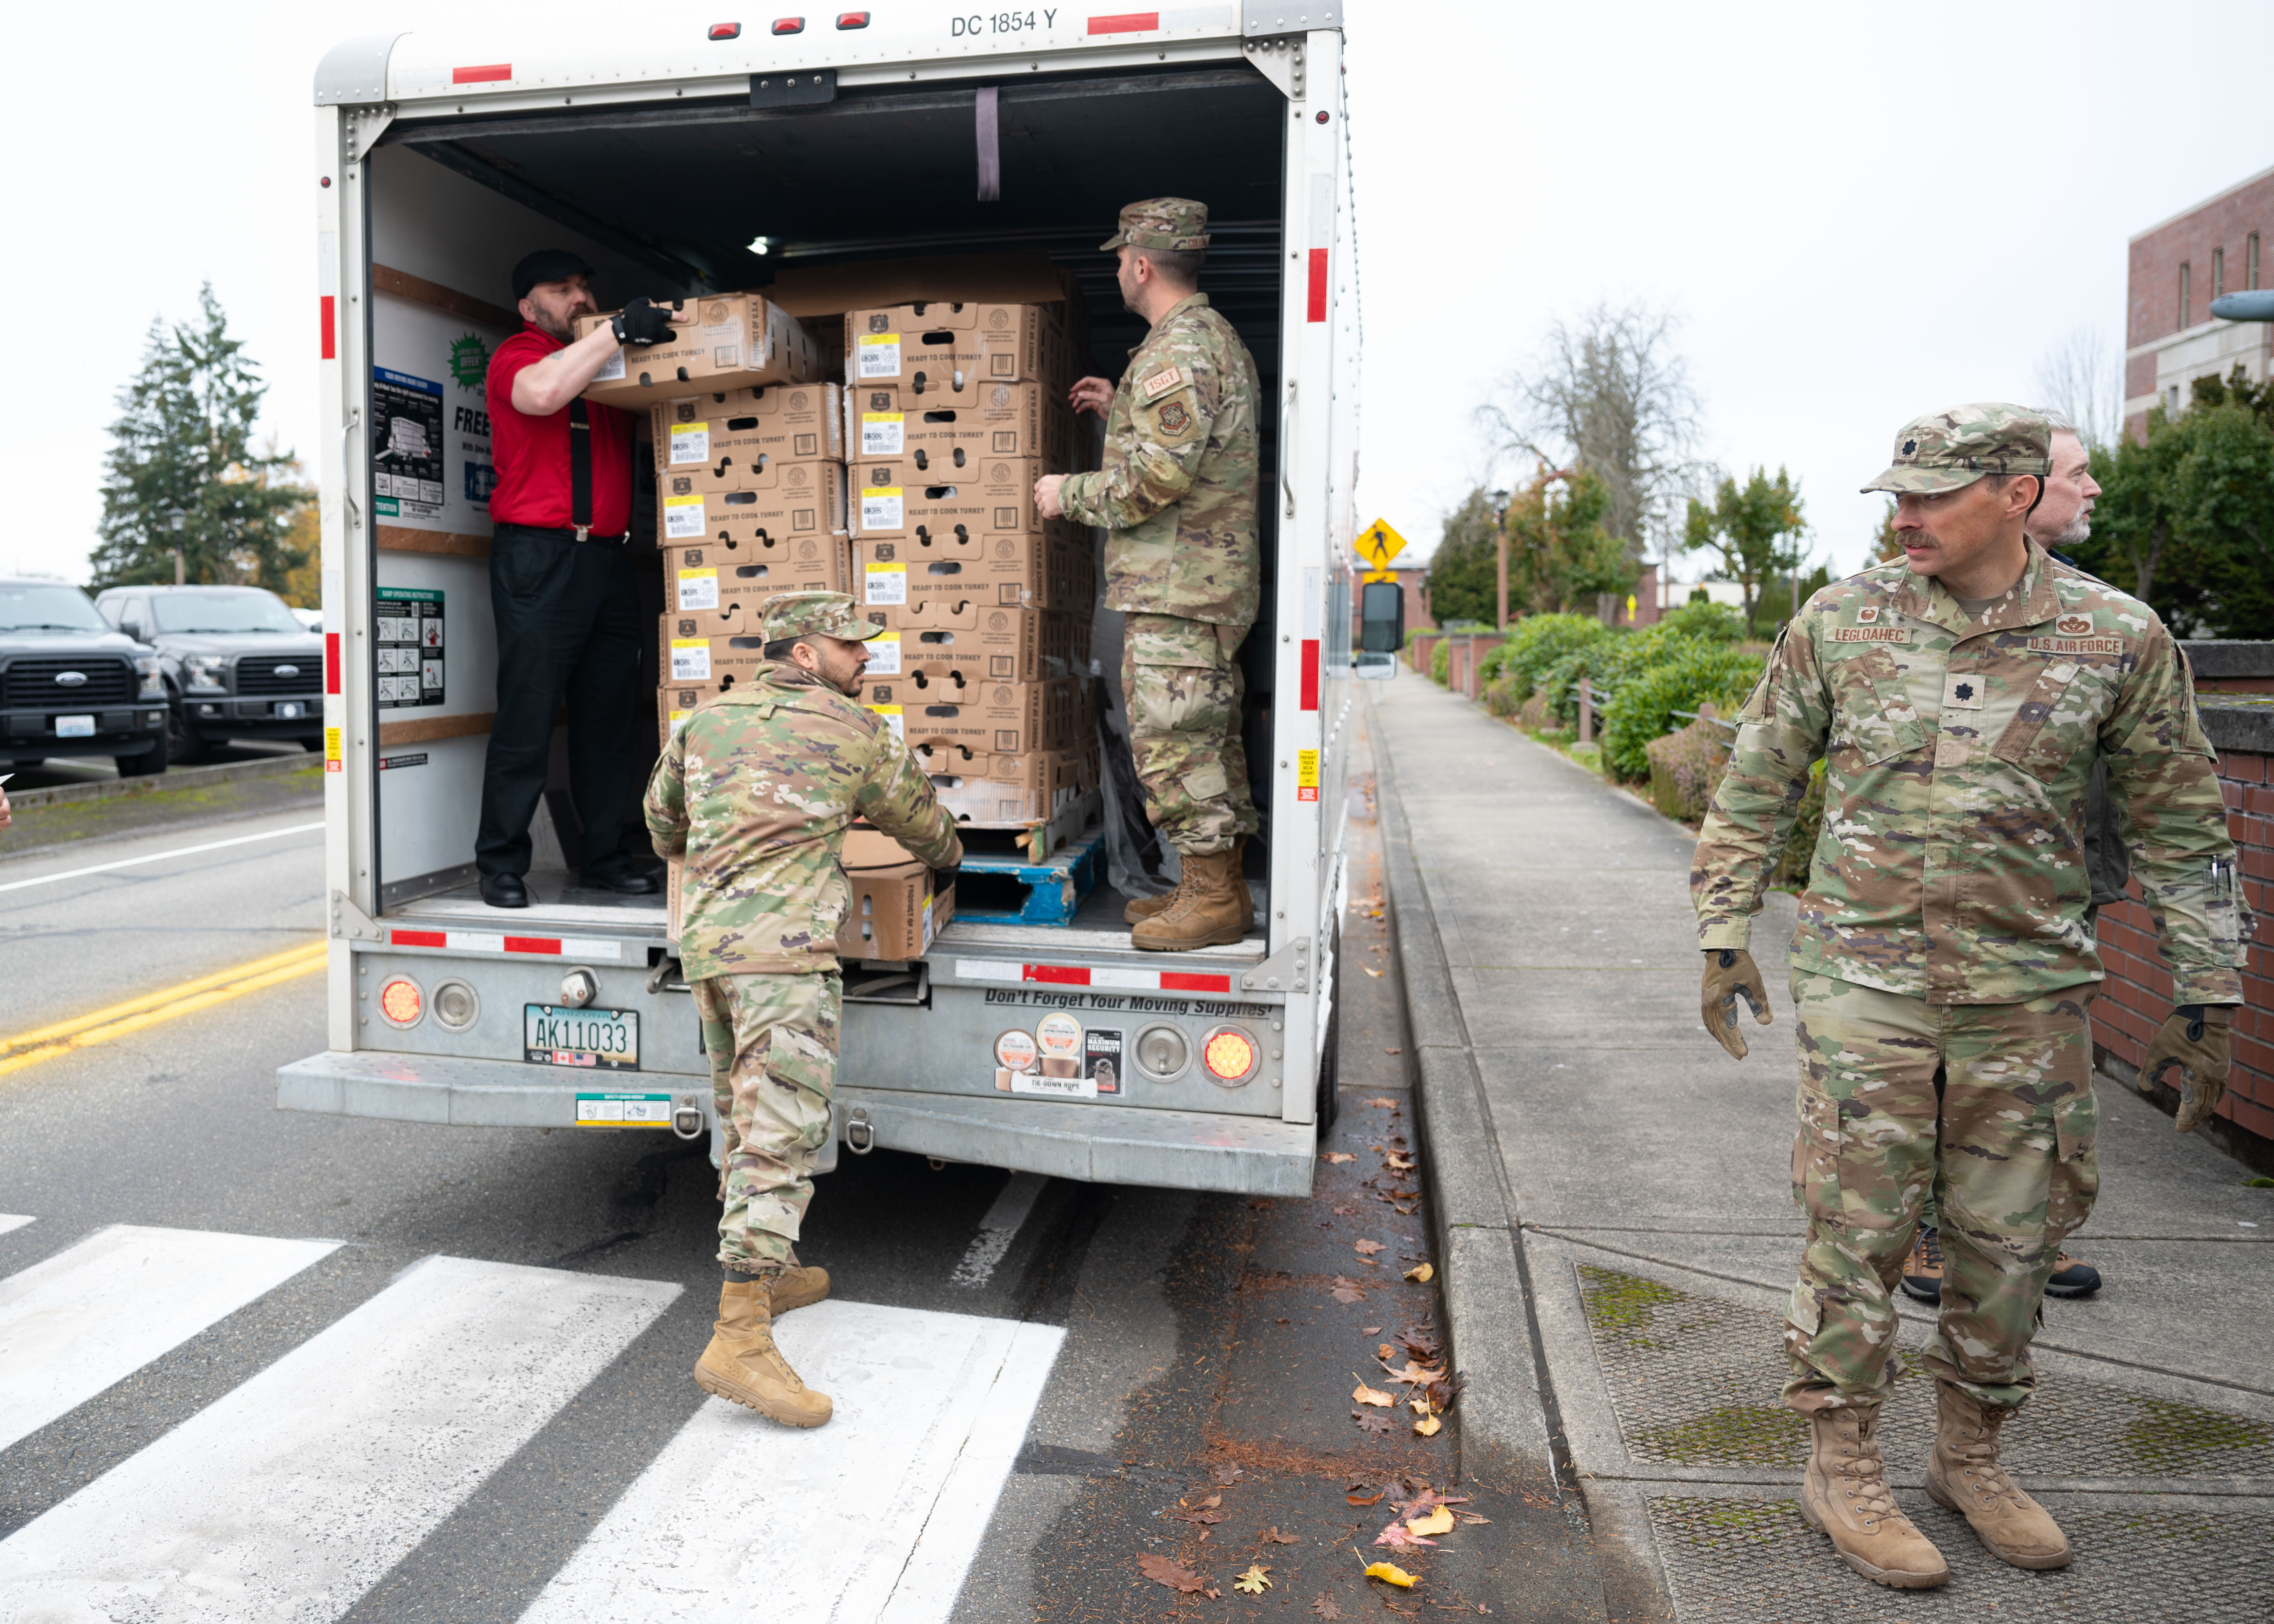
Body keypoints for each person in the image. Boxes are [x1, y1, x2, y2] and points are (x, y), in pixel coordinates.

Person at [1693, 405, 2245, 1590]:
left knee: (2009, 1245)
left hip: (2026, 995)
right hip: (1866, 984)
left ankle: (1970, 1457)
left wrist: (2207, 987)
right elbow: (1755, 778)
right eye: (1896, 495)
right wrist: (1721, 928)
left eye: (1929, 495)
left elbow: (2181, 817)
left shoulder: (2115, 636)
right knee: (1856, 1236)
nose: (1903, 516)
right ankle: (1840, 1465)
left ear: (2013, 493)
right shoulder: (1839, 622)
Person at [644, 591, 962, 1427]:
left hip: (711, 952)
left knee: (743, 1119)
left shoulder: (704, 722)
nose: (867, 657)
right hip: (784, 963)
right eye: (851, 646)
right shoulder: (855, 731)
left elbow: (662, 827)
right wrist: (950, 857)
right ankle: (740, 1338)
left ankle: (775, 1275)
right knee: (781, 1137)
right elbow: (929, 832)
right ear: (806, 654)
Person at [1900, 410, 2107, 1304]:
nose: (2091, 488)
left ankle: (2023, 1230)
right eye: (2077, 472)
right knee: (1931, 1080)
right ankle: (1933, 1231)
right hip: (1920, 915)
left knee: (2036, 1090)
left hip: (2050, 900)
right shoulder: (1873, 615)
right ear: (2025, 490)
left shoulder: (2108, 622)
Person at [1034, 198, 1262, 952]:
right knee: (1204, 738)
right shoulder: (1200, 343)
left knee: (1175, 741)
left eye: (1119, 262)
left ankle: (1212, 897)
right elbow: (1181, 447)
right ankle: (1216, 888)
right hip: (1196, 585)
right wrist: (1121, 405)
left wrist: (1066, 493)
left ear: (1140, 265)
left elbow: (1157, 479)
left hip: (1179, 588)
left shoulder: (1179, 350)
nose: (1117, 274)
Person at [475, 249, 682, 909]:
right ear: (528, 305)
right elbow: (542, 394)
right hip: (539, 557)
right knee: (529, 713)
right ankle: (500, 864)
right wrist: (617, 331)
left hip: (608, 560)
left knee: (610, 717)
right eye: (561, 289)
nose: (579, 298)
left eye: (584, 287)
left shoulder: (600, 360)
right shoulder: (519, 356)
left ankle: (603, 858)